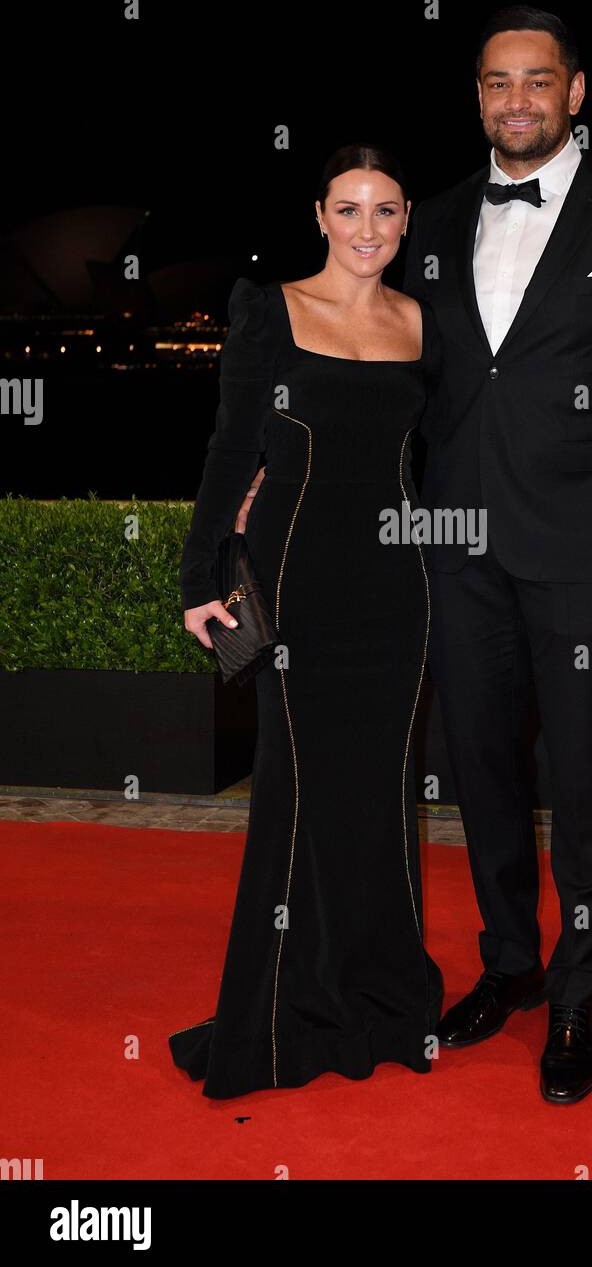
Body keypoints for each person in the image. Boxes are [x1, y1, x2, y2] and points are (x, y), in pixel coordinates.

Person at [401, 5, 592, 1103]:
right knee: (479, 768)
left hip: (585, 559)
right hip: (456, 548)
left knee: (580, 780)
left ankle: (575, 996)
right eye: (496, 83)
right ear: (476, 95)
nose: (516, 101)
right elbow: (397, 381)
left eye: (537, 81)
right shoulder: (432, 220)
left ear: (575, 92)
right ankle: (509, 965)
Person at [168, 144, 444, 1099]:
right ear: (319, 217)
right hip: (294, 574)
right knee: (293, 791)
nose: (366, 229)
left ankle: (381, 1000)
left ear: (406, 221)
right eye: (348, 209)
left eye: (385, 211)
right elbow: (228, 448)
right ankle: (279, 1020)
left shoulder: (421, 321)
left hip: (395, 582)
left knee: (379, 792)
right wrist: (202, 575)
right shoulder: (270, 309)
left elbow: (434, 456)